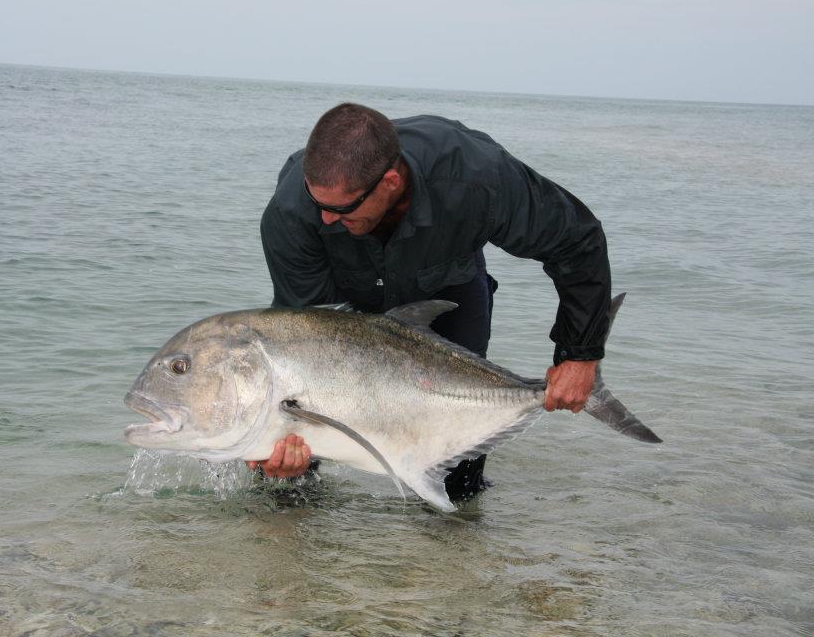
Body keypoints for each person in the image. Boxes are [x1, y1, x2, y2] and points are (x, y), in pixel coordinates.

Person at [248, 103, 611, 501]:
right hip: (341, 302)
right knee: (284, 482)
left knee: (458, 488)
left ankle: (452, 532)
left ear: (389, 182)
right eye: (316, 201)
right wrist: (276, 439)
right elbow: (303, 338)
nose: (326, 219)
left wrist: (579, 355)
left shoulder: (476, 176)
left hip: (448, 287)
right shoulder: (291, 213)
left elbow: (576, 240)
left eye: (341, 208)